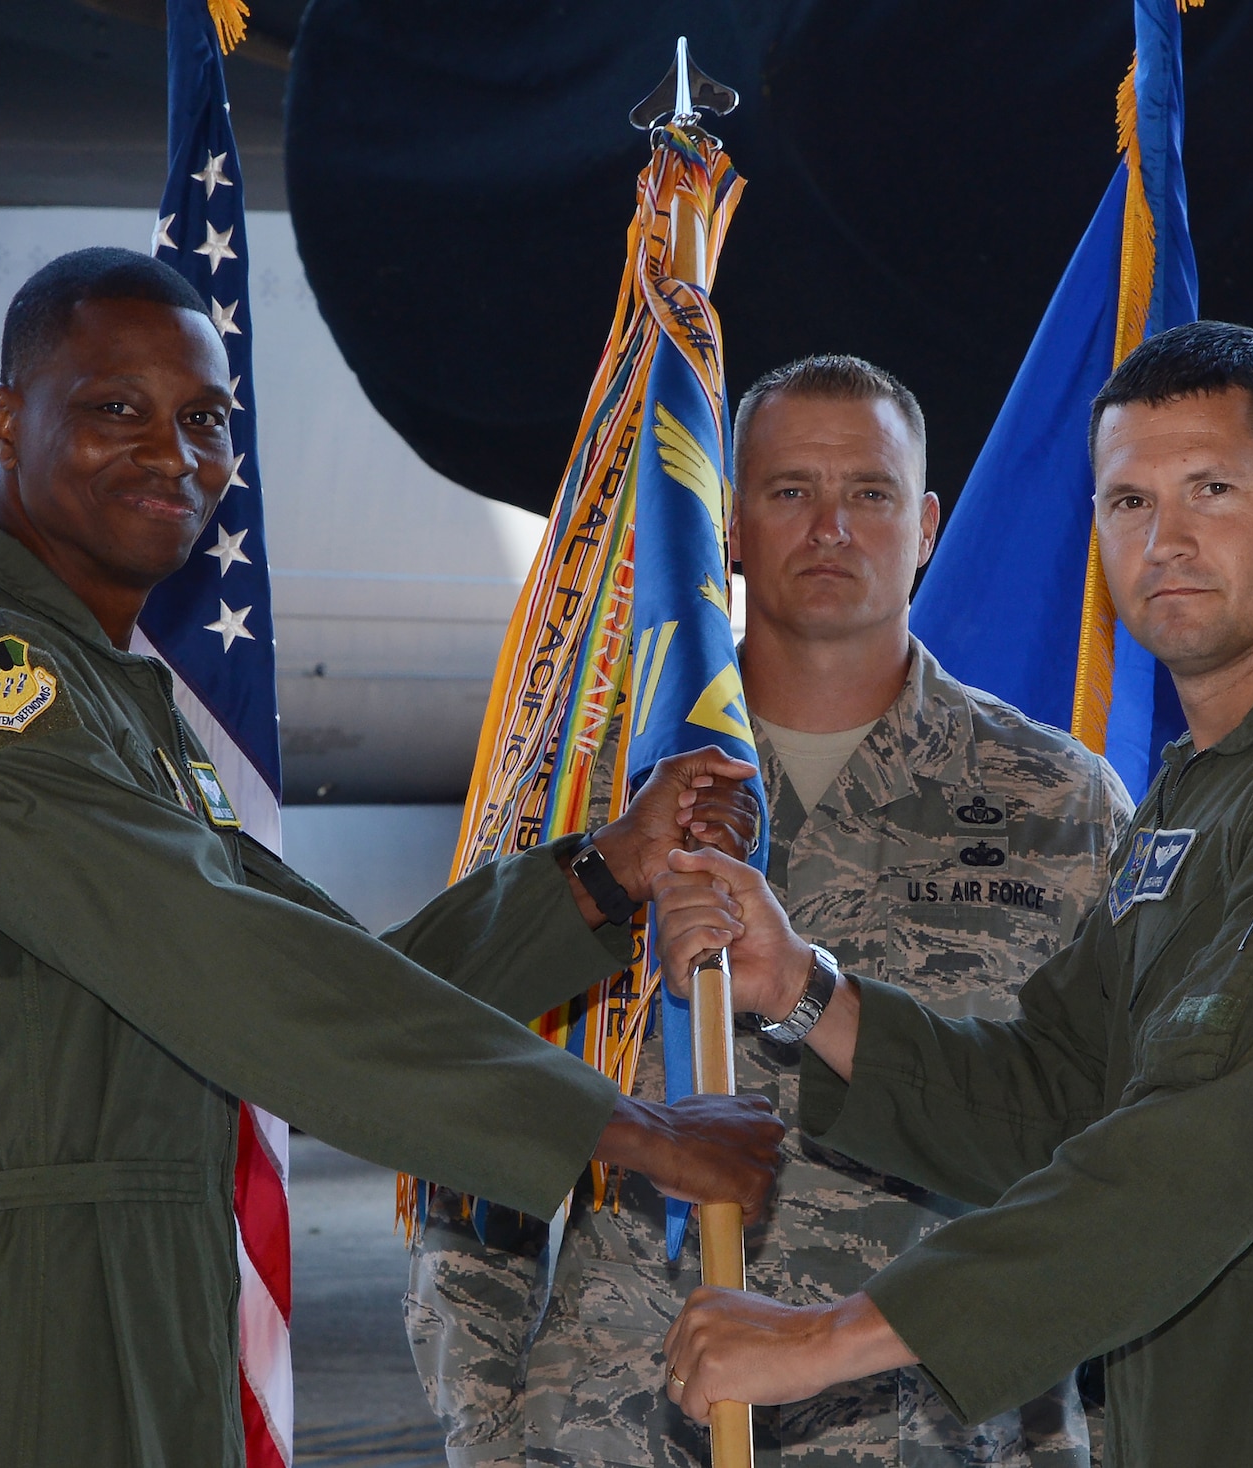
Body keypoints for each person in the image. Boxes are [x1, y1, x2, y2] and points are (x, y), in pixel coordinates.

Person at [0, 247, 785, 1468]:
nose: (175, 454)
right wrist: (626, 1127)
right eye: (117, 408)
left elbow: (316, 978)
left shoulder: (112, 698)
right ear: (8, 421)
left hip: (150, 1318)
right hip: (21, 1347)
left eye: (206, 419)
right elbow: (229, 966)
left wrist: (599, 874)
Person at [652, 322, 1253, 1467]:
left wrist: (832, 1337)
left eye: (1210, 490)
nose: (1164, 541)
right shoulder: (1212, 786)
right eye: (1127, 503)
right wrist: (807, 991)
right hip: (1201, 1409)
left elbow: (1195, 1152)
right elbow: (1058, 1097)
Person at [407, 356, 1129, 1468]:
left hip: (939, 1427)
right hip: (626, 1424)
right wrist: (494, 1432)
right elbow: (470, 1120)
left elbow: (1118, 1148)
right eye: (790, 491)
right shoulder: (605, 807)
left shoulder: (1061, 805)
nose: (830, 527)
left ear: (926, 522)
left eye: (870, 493)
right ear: (729, 527)